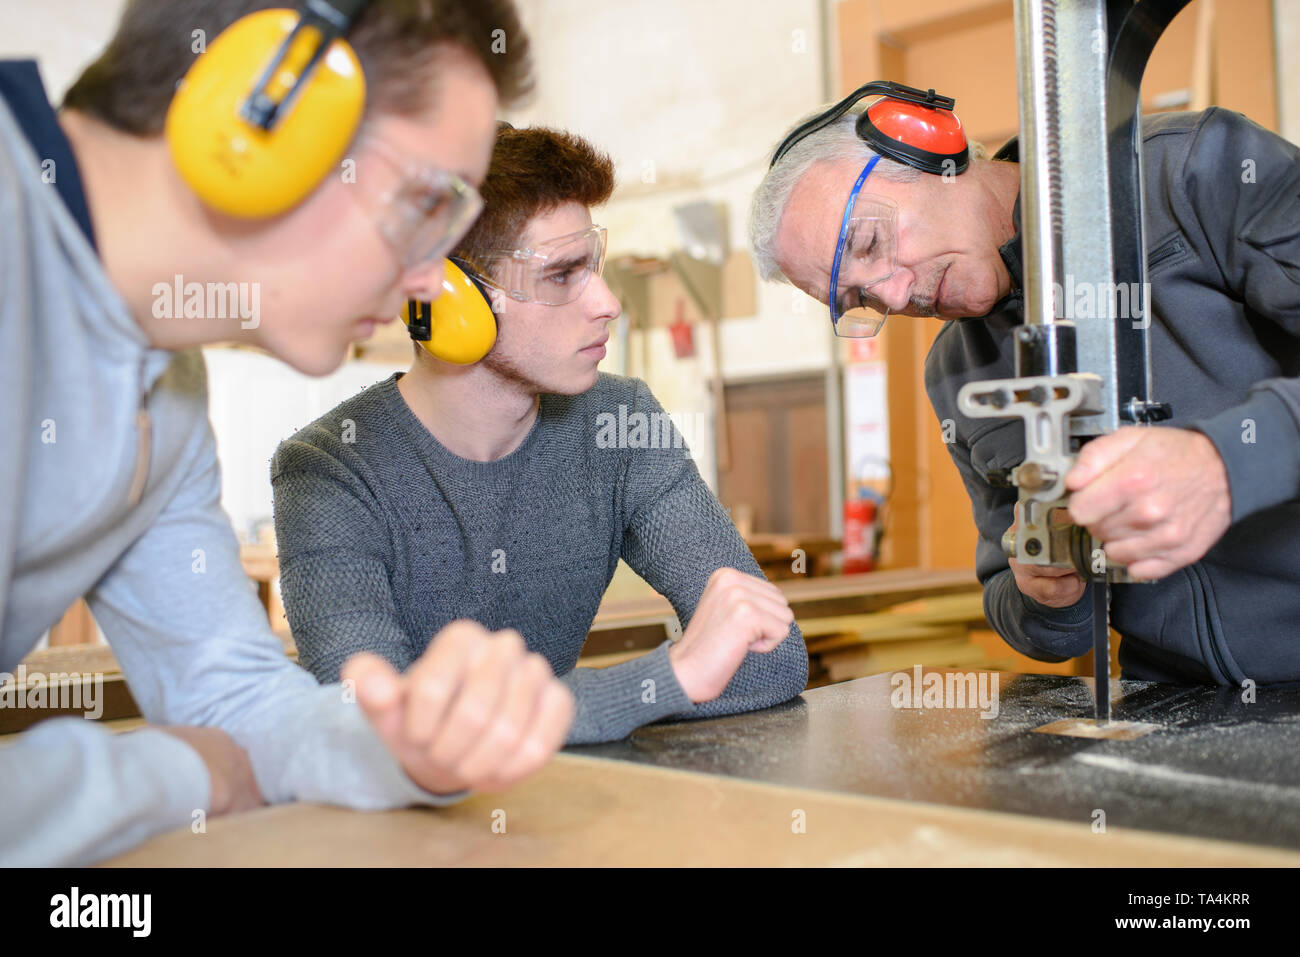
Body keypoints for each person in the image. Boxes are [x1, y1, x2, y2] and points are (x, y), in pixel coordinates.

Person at [0, 0, 576, 867]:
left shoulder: (167, 376)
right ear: (258, 116)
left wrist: (399, 746)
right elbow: (208, 748)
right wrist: (178, 774)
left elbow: (227, 695)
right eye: (426, 205)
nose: (431, 282)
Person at [271, 124, 809, 744]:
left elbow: (771, 657)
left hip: (559, 807)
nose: (607, 302)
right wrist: (675, 674)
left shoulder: (620, 424)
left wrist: (608, 699)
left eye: (595, 267)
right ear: (448, 302)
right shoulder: (328, 471)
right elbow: (386, 726)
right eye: (562, 275)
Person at [749, 88, 1300, 685]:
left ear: (927, 146)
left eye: (870, 244)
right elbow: (1015, 601)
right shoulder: (956, 372)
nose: (896, 295)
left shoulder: (1190, 171)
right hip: (1177, 703)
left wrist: (1227, 463)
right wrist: (1045, 597)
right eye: (859, 299)